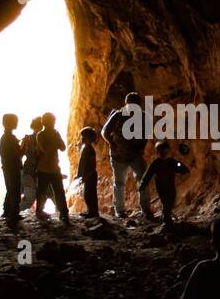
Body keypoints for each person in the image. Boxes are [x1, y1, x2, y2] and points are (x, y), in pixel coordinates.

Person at [101, 92, 154, 220]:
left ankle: (146, 210)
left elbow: (146, 134)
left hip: (135, 154)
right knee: (119, 183)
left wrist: (141, 148)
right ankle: (120, 211)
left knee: (143, 180)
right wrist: (113, 145)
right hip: (118, 155)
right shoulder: (118, 116)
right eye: (131, 104)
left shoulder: (143, 117)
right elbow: (105, 132)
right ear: (127, 104)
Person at [137, 140, 189, 225]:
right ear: (158, 152)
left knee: (171, 200)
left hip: (170, 185)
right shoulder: (155, 163)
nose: (164, 153)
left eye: (166, 151)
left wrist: (184, 170)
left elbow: (180, 167)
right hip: (161, 186)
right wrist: (142, 185)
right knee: (165, 202)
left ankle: (164, 217)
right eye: (162, 151)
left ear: (168, 151)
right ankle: (166, 220)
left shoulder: (171, 162)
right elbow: (148, 175)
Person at [34, 112, 69, 222]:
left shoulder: (54, 134)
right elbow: (45, 149)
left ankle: (64, 212)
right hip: (44, 168)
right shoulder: (40, 135)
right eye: (51, 121)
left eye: (53, 121)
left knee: (59, 191)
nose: (53, 124)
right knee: (42, 191)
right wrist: (56, 140)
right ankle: (39, 211)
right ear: (44, 123)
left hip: (53, 167)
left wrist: (56, 139)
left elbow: (63, 147)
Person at [0, 114, 23, 225]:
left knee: (10, 189)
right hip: (13, 167)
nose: (17, 123)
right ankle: (13, 214)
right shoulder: (11, 138)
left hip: (6, 167)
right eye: (15, 121)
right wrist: (26, 144)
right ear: (11, 123)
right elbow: (19, 154)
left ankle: (6, 211)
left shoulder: (4, 137)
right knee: (15, 190)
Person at [19, 116, 42, 214]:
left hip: (31, 171)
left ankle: (15, 212)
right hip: (32, 171)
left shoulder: (28, 139)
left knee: (30, 197)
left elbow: (19, 155)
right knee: (30, 198)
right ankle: (15, 212)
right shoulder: (39, 139)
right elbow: (20, 155)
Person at [75, 127, 100, 218]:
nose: (81, 138)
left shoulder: (90, 150)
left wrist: (86, 175)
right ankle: (90, 211)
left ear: (89, 139)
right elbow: (82, 163)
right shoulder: (84, 148)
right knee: (87, 195)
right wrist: (79, 175)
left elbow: (92, 166)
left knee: (90, 195)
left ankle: (93, 213)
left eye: (83, 136)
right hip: (87, 175)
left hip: (91, 175)